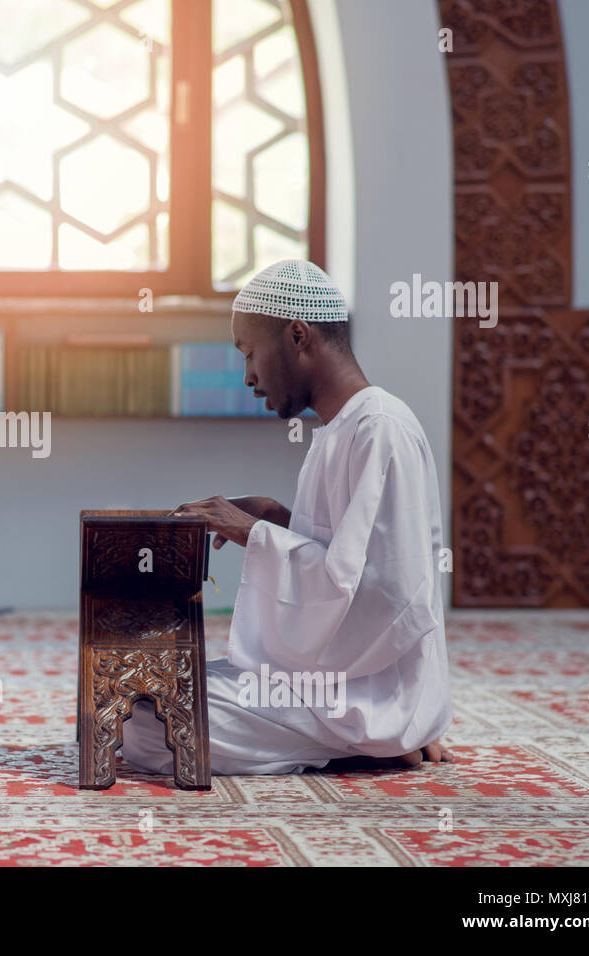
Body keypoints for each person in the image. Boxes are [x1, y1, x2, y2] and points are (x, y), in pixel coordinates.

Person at [121, 259, 453, 775]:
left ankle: (381, 736)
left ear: (298, 335)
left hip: (369, 688)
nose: (249, 376)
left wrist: (252, 532)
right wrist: (277, 518)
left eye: (250, 353)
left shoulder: (379, 428)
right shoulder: (341, 429)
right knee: (137, 695)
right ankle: (375, 737)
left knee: (148, 724)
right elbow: (348, 556)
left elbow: (390, 592)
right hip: (341, 680)